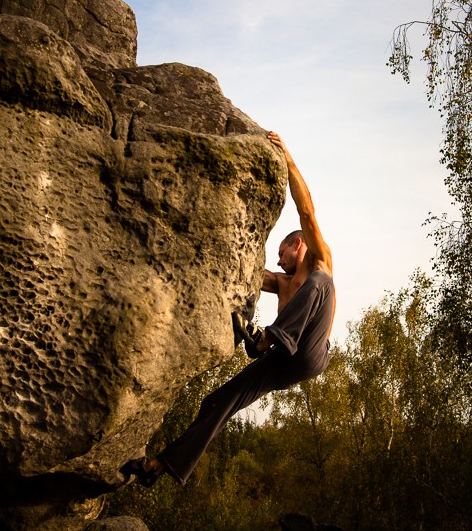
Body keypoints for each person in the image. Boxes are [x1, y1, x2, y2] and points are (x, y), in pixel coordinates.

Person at [124, 130, 335, 487]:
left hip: (310, 350)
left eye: (281, 255)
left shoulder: (317, 260)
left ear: (296, 245)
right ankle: (159, 466)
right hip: (281, 357)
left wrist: (288, 160)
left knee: (322, 280)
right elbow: (239, 269)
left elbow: (307, 210)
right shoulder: (281, 284)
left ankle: (265, 339)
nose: (279, 263)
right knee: (219, 400)